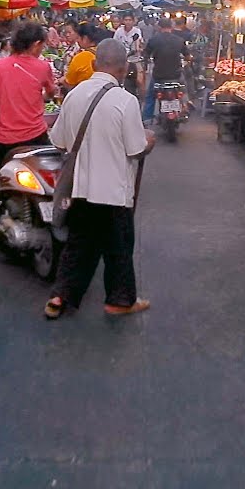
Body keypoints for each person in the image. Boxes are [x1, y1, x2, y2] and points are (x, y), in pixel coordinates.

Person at [44, 39, 154, 319]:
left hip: (80, 188)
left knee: (78, 244)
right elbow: (136, 148)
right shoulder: (125, 101)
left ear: (93, 65)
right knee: (118, 247)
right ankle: (119, 300)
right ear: (124, 68)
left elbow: (59, 141)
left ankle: (59, 296)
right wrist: (149, 140)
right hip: (114, 191)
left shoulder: (74, 95)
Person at [0, 23, 57, 257]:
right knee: (53, 177)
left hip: (5, 140)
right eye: (41, 45)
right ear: (36, 44)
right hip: (37, 137)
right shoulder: (43, 66)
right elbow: (51, 94)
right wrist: (40, 96)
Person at [142, 17, 189, 123]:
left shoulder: (154, 40)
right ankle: (185, 106)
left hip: (159, 76)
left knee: (150, 96)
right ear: (171, 27)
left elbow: (145, 54)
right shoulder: (179, 40)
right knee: (184, 88)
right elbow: (188, 56)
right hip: (175, 75)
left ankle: (147, 118)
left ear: (159, 27)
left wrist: (145, 60)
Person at [62, 23, 100, 89]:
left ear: (85, 38)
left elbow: (69, 84)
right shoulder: (104, 52)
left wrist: (62, 81)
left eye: (78, 38)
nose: (77, 41)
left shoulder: (80, 57)